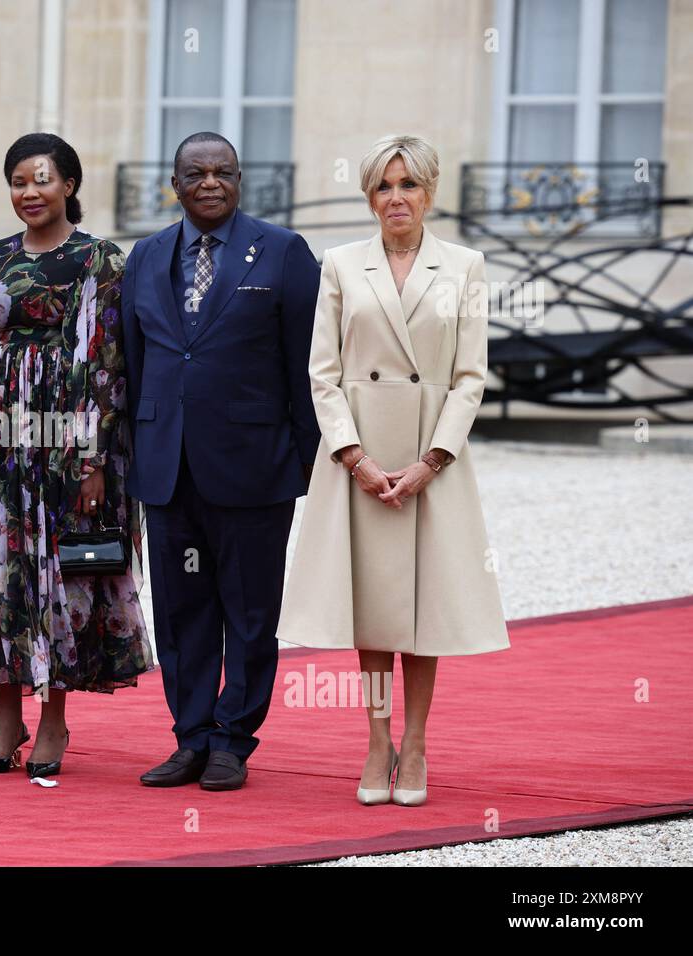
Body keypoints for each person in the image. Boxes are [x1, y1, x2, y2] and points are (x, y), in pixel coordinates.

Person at [276, 134, 510, 807]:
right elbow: (322, 373)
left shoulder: (465, 266)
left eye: (409, 185)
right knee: (375, 610)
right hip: (362, 460)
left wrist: (433, 460)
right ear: (369, 195)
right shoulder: (342, 265)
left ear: (430, 192)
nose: (397, 197)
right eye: (384, 186)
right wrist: (355, 457)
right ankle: (376, 742)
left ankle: (416, 744)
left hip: (430, 458)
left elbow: (471, 376)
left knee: (424, 607)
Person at [0, 132, 153, 777]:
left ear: (70, 186)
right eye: (19, 181)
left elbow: (104, 363)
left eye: (43, 179)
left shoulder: (98, 261)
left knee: (59, 576)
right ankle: (6, 717)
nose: (30, 192)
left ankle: (54, 719)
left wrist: (89, 462)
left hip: (64, 444)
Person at [122, 132, 321, 791]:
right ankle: (191, 738)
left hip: (254, 468)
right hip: (167, 467)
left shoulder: (284, 253)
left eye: (223, 172)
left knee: (250, 612)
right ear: (173, 185)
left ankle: (235, 739)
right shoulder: (146, 258)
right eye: (195, 173)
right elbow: (134, 366)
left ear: (241, 181)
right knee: (182, 614)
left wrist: (306, 461)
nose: (210, 182)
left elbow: (308, 369)